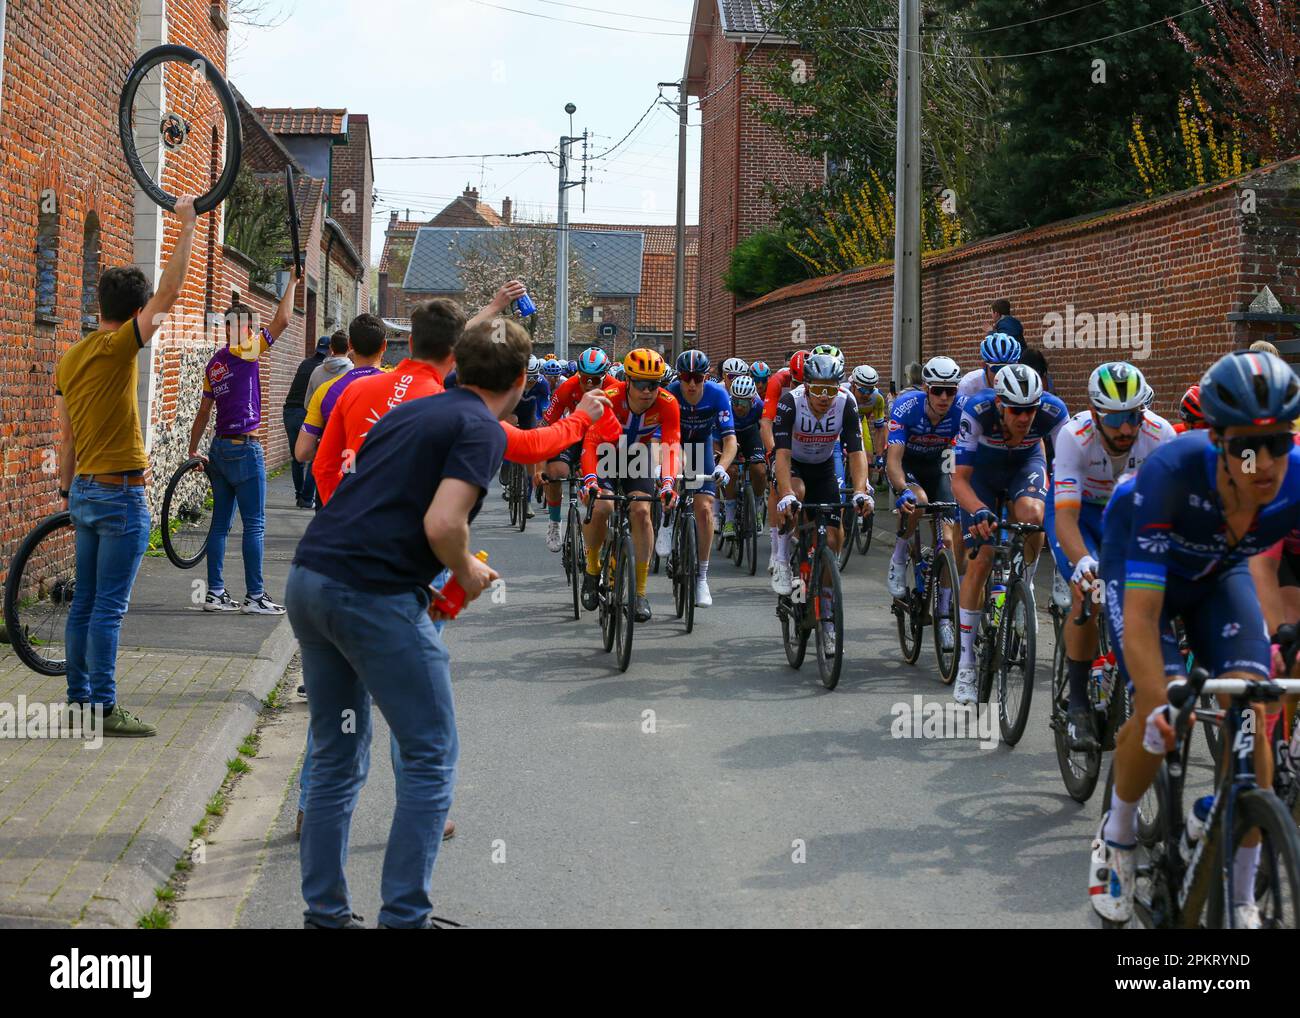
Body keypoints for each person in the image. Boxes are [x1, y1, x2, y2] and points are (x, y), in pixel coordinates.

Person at [288, 317, 530, 930]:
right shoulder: (481, 428)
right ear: (521, 381)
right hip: (370, 594)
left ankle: (325, 916)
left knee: (336, 754)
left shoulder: (411, 412)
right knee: (429, 753)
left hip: (311, 577)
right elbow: (445, 524)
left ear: (458, 365)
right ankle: (404, 917)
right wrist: (467, 575)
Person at [1089, 351, 1300, 929]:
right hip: (1140, 569)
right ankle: (1119, 834)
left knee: (1254, 703)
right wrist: (1159, 699)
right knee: (1158, 713)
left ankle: (1240, 894)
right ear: (1217, 441)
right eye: (1248, 447)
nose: (1267, 463)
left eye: (1280, 442)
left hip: (1217, 575)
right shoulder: (1173, 472)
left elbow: (1271, 571)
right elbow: (1141, 615)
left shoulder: (1297, 479)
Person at [55, 195, 199, 737]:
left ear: (99, 303)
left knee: (85, 603)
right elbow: (170, 292)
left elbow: (65, 435)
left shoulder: (72, 356)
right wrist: (185, 225)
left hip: (87, 495)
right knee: (108, 609)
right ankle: (105, 708)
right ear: (133, 312)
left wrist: (67, 491)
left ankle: (78, 702)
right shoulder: (118, 348)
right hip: (119, 497)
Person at [1045, 362, 1175, 751]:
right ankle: (1080, 705)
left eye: (1133, 416)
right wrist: (1084, 562)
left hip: (1128, 514)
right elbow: (1065, 517)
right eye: (1115, 418)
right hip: (1079, 514)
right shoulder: (1074, 436)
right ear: (1096, 413)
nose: (1125, 429)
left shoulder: (1160, 435)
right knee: (1090, 592)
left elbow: (1167, 513)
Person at [951, 364, 1069, 704]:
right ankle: (967, 663)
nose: (1025, 417)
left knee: (1033, 515)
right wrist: (978, 510)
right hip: (980, 478)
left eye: (1030, 408)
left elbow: (1067, 470)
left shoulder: (1053, 411)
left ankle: (1024, 583)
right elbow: (959, 479)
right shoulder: (977, 411)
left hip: (1024, 466)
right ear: (1000, 404)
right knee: (982, 560)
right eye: (1017, 409)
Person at [185, 275, 300, 615]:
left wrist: (194, 450)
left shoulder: (215, 363)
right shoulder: (248, 351)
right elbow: (282, 320)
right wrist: (292, 282)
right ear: (246, 328)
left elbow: (204, 412)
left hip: (219, 447)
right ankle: (255, 596)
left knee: (219, 524)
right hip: (245, 448)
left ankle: (215, 593)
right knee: (255, 524)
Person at [580, 348, 681, 623]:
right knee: (602, 506)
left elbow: (672, 445)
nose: (648, 391)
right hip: (605, 454)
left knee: (641, 511)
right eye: (640, 383)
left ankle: (639, 592)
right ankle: (591, 569)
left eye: (654, 384)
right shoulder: (609, 400)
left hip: (638, 456)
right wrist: (590, 480)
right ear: (627, 380)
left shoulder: (668, 402)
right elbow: (590, 443)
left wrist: (668, 482)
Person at [770, 354, 874, 598]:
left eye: (831, 389)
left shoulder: (846, 402)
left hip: (823, 465)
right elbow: (782, 454)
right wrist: (785, 493)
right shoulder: (790, 402)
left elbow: (857, 452)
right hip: (793, 463)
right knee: (795, 494)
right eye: (818, 389)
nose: (825, 396)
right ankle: (782, 560)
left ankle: (826, 610)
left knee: (835, 538)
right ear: (806, 386)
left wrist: (860, 490)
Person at [884, 356, 965, 658]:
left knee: (947, 539)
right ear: (927, 389)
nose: (945, 397)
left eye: (951, 391)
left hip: (941, 465)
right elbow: (893, 461)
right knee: (917, 503)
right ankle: (899, 557)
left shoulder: (961, 410)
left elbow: (963, 460)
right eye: (938, 391)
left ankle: (944, 614)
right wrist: (902, 489)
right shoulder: (907, 408)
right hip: (908, 466)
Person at [667, 349, 737, 607]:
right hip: (674, 444)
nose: (692, 384)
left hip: (701, 447)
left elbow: (730, 440)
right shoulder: (671, 393)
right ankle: (665, 524)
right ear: (679, 377)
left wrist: (722, 467)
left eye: (698, 377)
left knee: (705, 508)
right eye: (686, 377)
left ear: (706, 377)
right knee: (668, 486)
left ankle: (702, 578)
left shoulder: (718, 394)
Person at [541, 347, 611, 552]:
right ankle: (555, 522)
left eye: (595, 380)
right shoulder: (566, 388)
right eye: (584, 378)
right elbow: (547, 424)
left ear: (605, 376)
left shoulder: (616, 388)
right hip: (575, 435)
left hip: (600, 439)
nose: (589, 384)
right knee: (555, 473)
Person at [295, 315, 388, 468]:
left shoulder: (325, 390)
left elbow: (302, 451)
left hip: (338, 485)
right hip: (383, 483)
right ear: (384, 345)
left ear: (350, 345)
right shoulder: (400, 387)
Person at [284, 336, 329, 508]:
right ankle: (307, 498)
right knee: (315, 456)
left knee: (297, 458)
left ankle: (299, 495)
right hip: (305, 412)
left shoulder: (304, 364)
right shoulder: (324, 369)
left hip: (289, 411)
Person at [958, 333, 1020, 398]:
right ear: (984, 365)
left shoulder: (1024, 383)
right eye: (997, 369)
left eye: (1009, 370)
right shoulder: (968, 384)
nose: (1003, 376)